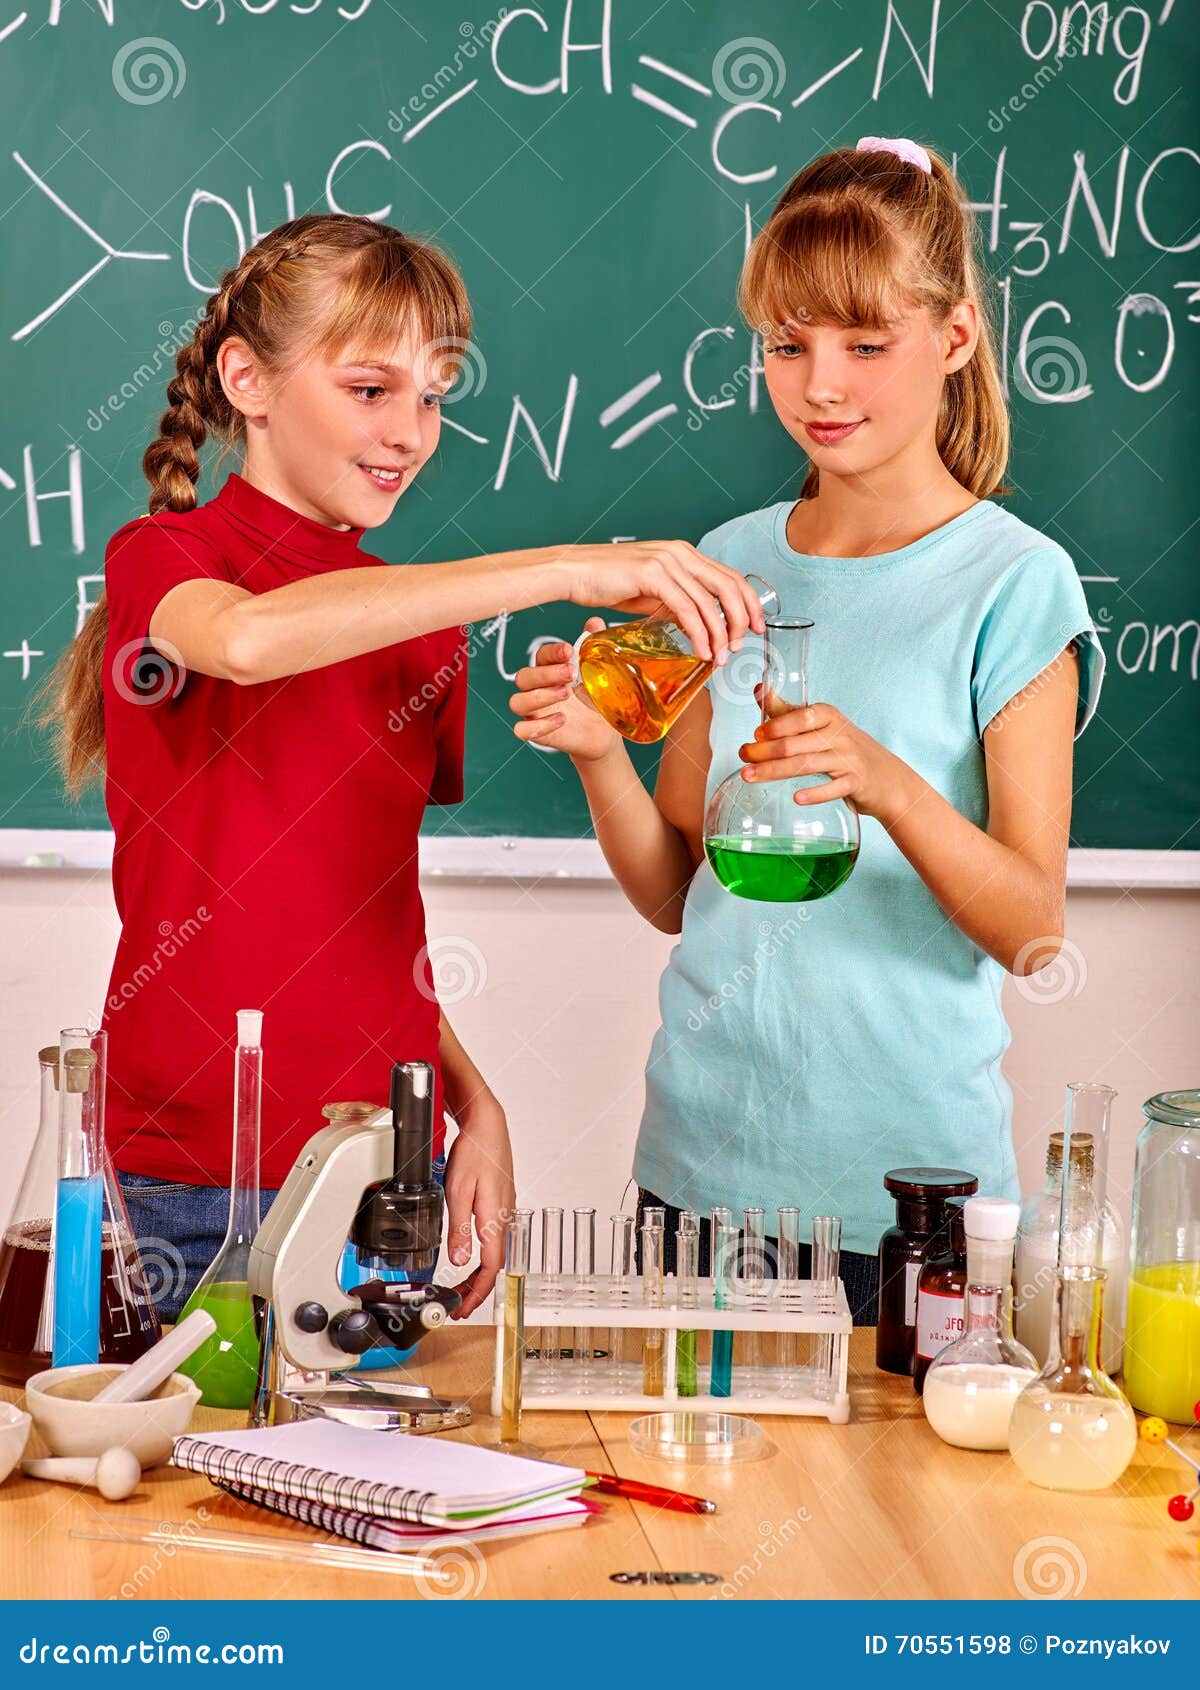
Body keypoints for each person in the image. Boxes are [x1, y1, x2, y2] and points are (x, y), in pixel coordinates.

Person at [39, 212, 763, 1321]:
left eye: (432, 397)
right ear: (248, 378)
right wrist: (564, 564)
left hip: (385, 1171)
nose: (410, 432)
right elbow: (246, 640)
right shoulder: (166, 562)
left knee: (370, 1479)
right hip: (190, 1179)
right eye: (371, 390)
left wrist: (477, 1104)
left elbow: (358, 927)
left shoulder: (418, 631)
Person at [508, 141, 1104, 1322]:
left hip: (909, 1209)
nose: (820, 385)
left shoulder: (1014, 584)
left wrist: (884, 781)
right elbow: (683, 890)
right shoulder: (723, 564)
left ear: (956, 338)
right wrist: (594, 755)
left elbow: (1034, 931)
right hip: (696, 1189)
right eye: (788, 345)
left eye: (864, 345)